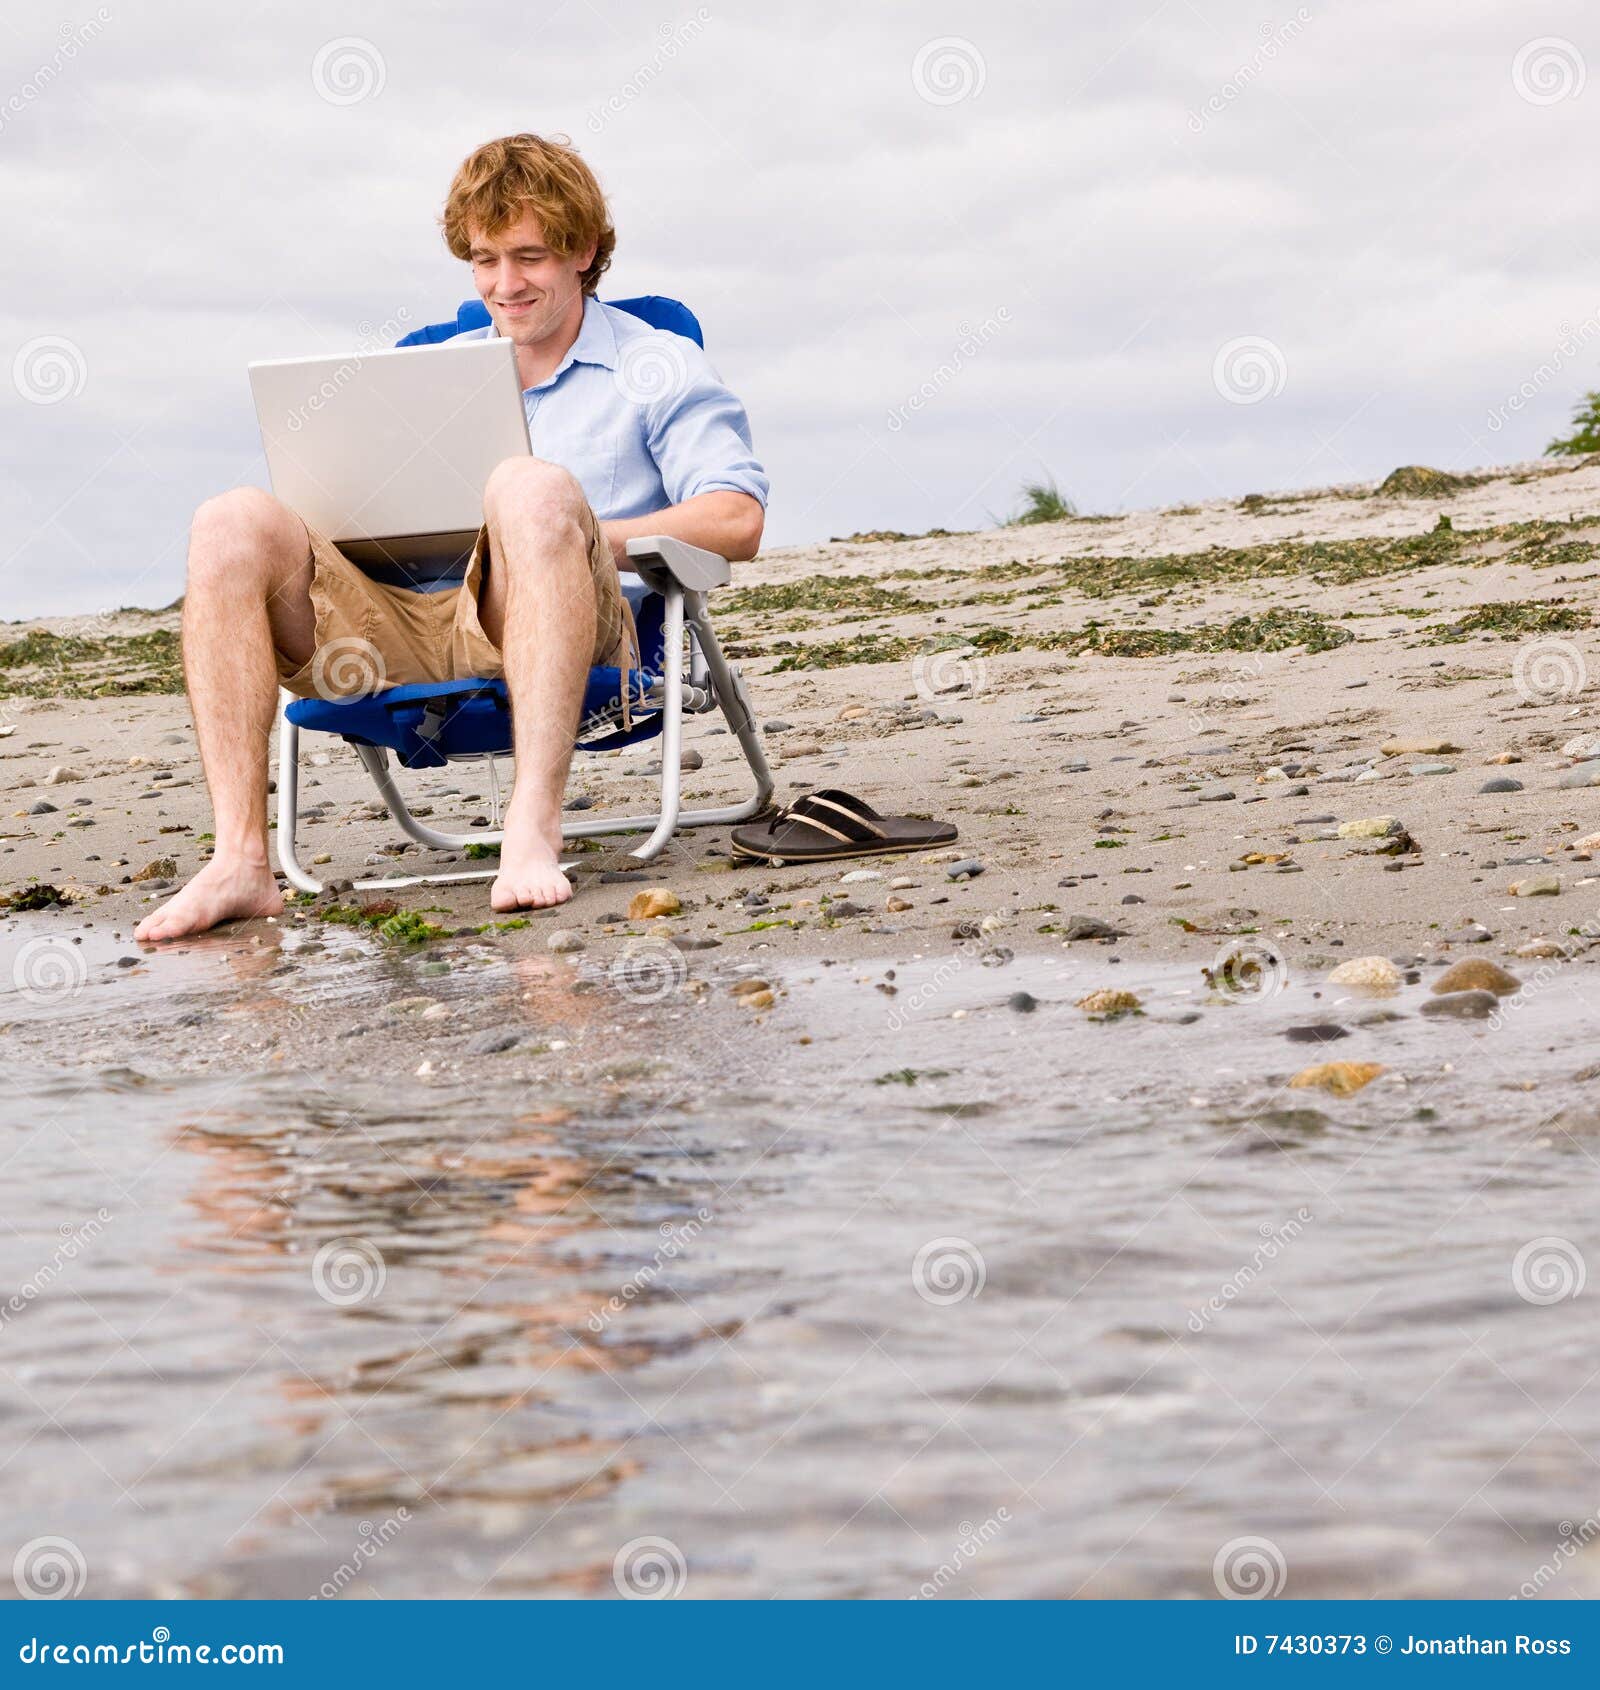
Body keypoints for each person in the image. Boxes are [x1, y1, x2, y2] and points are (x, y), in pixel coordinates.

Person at [136, 132, 767, 942]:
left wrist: (563, 537)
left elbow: (736, 518)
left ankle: (532, 827)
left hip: (561, 625)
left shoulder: (659, 364)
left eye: (530, 257)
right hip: (390, 631)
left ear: (583, 251)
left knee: (527, 485)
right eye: (484, 260)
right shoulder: (432, 370)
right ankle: (239, 861)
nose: (506, 285)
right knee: (228, 520)